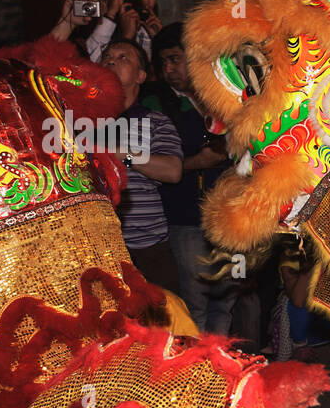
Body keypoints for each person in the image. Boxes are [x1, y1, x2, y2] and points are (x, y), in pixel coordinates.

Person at [142, 22, 235, 333]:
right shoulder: (155, 104)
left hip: (227, 213)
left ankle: (224, 366)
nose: (168, 68)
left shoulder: (223, 95)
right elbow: (161, 163)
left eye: (175, 59)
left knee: (225, 299)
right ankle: (199, 371)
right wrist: (199, 161)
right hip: (185, 216)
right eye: (163, 62)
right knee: (195, 301)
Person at [100, 39, 184, 291]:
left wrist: (122, 154)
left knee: (161, 326)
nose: (112, 61)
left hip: (147, 249)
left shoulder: (155, 121)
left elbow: (173, 170)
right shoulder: (84, 121)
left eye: (123, 57)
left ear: (141, 76)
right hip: (99, 248)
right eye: (107, 58)